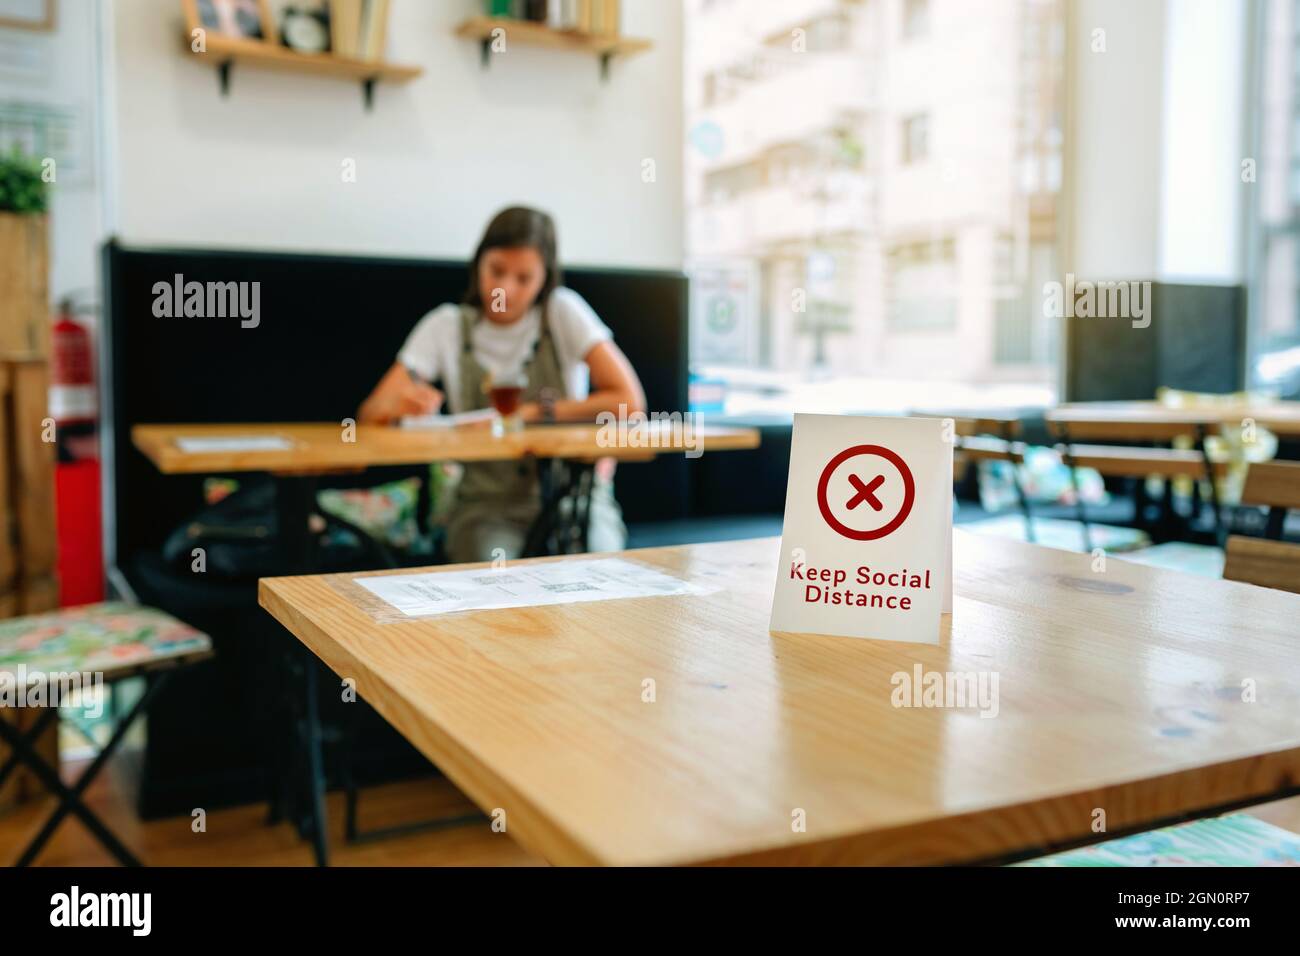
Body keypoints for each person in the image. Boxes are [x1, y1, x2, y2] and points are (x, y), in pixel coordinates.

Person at [358, 206, 646, 563]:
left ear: (546, 279)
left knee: (601, 576)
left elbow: (630, 403)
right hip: (485, 506)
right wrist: (400, 406)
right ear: (478, 261)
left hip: (574, 499)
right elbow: (370, 415)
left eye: (523, 278)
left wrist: (528, 413)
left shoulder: (562, 313)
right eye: (496, 271)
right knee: (492, 583)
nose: (505, 288)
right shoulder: (445, 327)